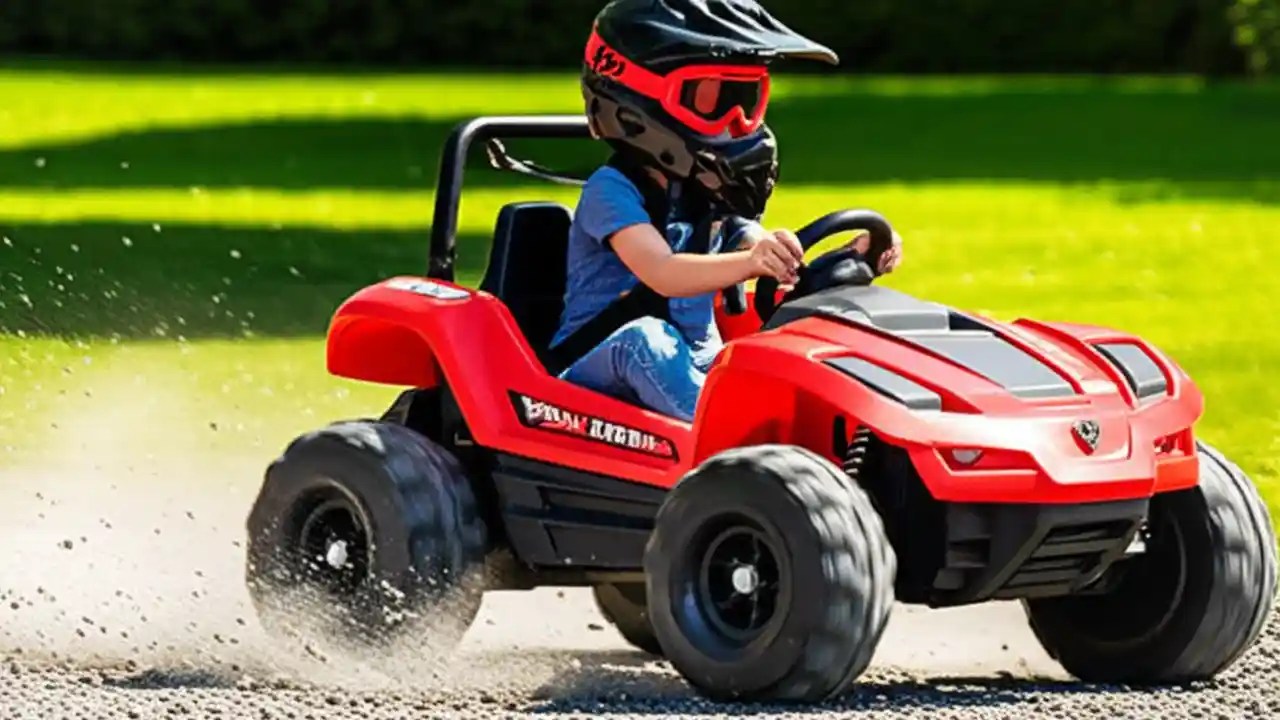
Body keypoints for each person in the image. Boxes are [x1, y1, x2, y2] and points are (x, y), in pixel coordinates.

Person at [547, 0, 903, 422]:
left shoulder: (704, 193)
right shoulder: (611, 190)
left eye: (746, 100)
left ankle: (857, 424)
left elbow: (757, 245)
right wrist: (750, 262)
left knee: (784, 344)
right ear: (635, 105)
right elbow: (663, 272)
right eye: (712, 99)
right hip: (593, 365)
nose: (733, 122)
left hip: (695, 359)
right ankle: (740, 434)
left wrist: (842, 258)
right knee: (646, 339)